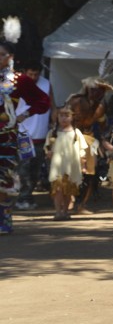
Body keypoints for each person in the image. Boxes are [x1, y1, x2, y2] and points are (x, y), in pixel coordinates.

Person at [0, 19, 51, 233]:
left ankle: (4, 219)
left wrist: (24, 115)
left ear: (11, 57)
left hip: (6, 138)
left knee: (3, 179)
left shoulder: (18, 80)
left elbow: (43, 101)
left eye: (2, 54)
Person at [65, 78, 112, 212]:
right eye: (94, 90)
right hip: (72, 139)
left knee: (90, 173)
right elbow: (62, 118)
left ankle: (82, 204)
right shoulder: (75, 101)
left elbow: (103, 125)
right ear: (87, 89)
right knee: (71, 171)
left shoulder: (101, 107)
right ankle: (69, 200)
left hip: (89, 140)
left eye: (101, 91)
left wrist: (104, 139)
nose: (97, 93)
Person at [16, 60, 55, 210]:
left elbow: (52, 103)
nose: (33, 77)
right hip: (23, 134)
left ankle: (28, 195)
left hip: (41, 134)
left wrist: (54, 121)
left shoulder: (46, 84)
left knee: (36, 169)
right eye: (30, 74)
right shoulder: (17, 83)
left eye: (36, 74)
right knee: (24, 168)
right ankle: (23, 197)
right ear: (25, 72)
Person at [45, 106, 87, 221]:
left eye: (67, 116)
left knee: (68, 190)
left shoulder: (76, 133)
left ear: (72, 118)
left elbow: (82, 150)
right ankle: (58, 211)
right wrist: (48, 153)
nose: (64, 118)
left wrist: (83, 165)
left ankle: (66, 211)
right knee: (58, 189)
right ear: (57, 117)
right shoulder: (53, 133)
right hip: (57, 166)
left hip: (72, 165)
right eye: (61, 116)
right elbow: (47, 147)